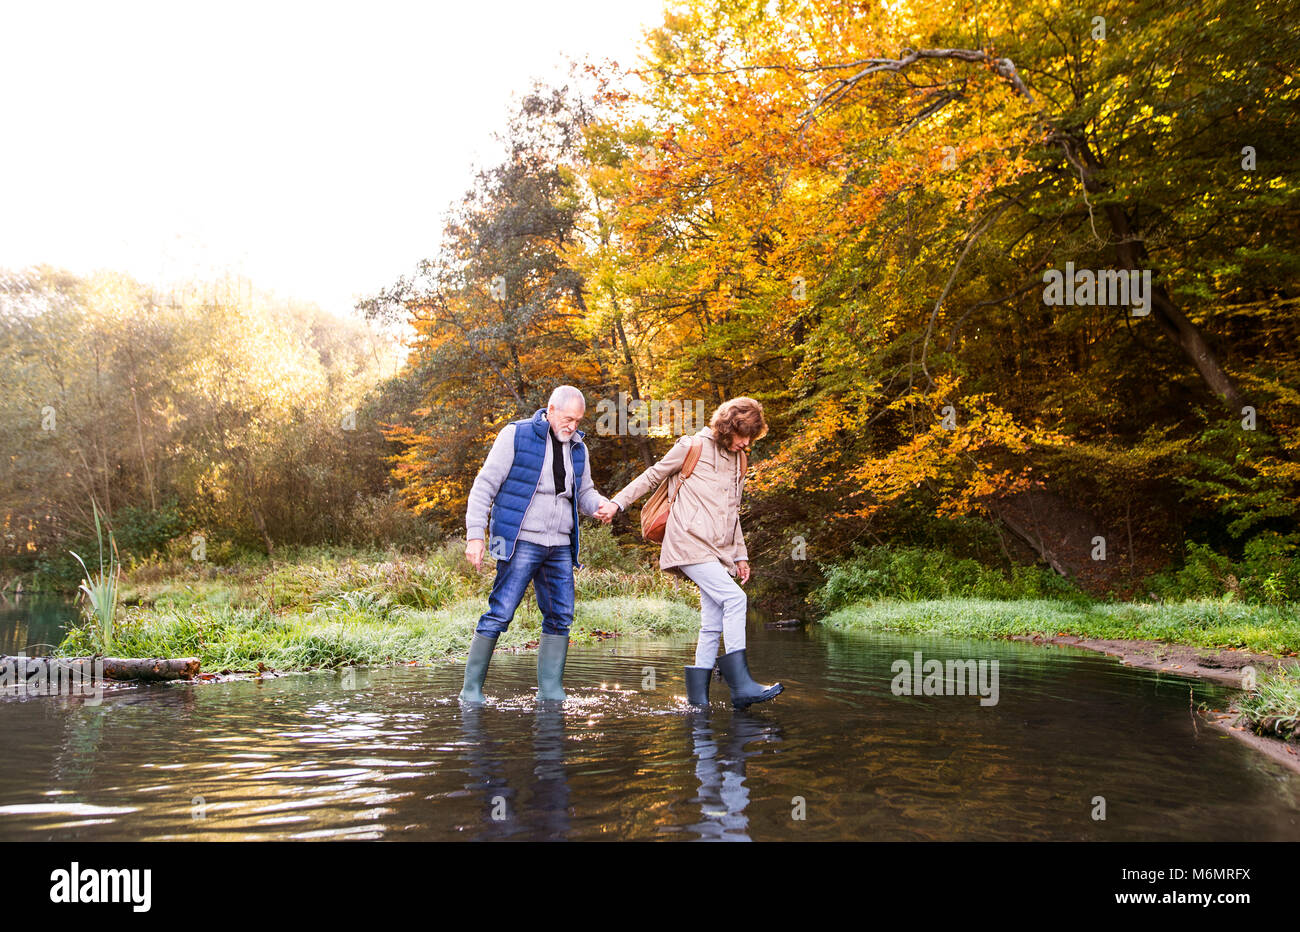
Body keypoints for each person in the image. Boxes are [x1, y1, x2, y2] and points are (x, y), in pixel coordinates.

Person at [596, 397, 783, 709]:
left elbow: (733, 511)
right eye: (742, 435)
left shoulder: (739, 460)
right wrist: (617, 503)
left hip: (720, 551)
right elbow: (652, 475)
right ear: (728, 427)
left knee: (711, 623)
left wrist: (740, 555)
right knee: (736, 600)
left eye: (752, 436)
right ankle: (742, 686)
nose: (746, 442)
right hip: (688, 543)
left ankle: (698, 703)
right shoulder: (692, 446)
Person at [461, 385, 614, 704]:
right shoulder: (515, 435)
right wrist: (476, 534)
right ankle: (472, 690)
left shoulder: (578, 449)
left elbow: (584, 493)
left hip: (559, 545)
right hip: (521, 539)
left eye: (578, 420)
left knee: (561, 615)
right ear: (551, 409)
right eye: (568, 418)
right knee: (501, 611)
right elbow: (484, 485)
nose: (572, 426)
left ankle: (550, 691)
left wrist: (600, 504)